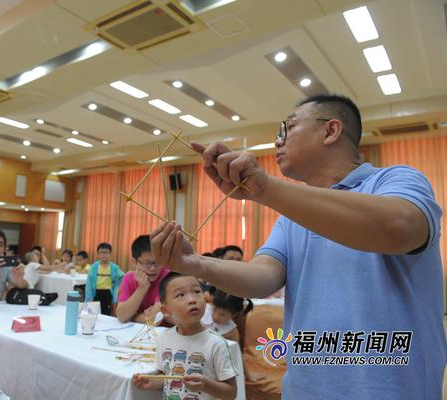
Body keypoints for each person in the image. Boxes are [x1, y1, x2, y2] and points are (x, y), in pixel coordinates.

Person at [150, 93, 446, 399]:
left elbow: (398, 228)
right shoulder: (292, 218)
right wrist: (196, 264)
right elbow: (261, 279)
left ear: (330, 131)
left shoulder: (396, 180)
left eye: (287, 128)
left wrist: (264, 189)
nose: (278, 141)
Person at [132, 272, 238, 400]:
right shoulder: (164, 337)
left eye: (197, 292)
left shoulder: (217, 343)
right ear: (166, 311)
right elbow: (167, 375)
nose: (192, 299)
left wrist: (206, 385)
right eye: (180, 295)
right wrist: (151, 382)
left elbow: (231, 393)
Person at [117, 235, 170, 324]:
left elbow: (154, 320)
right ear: (134, 262)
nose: (153, 268)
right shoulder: (129, 278)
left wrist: (133, 316)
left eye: (158, 262)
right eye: (148, 263)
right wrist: (142, 288)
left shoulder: (168, 277)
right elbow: (121, 316)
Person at [84, 242, 124, 315]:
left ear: (110, 254)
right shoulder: (94, 267)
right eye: (101, 252)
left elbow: (122, 276)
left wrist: (116, 287)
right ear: (98, 255)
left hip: (108, 293)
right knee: (94, 312)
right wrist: (89, 296)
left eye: (106, 252)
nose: (104, 255)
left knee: (106, 313)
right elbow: (89, 282)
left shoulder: (114, 267)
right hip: (96, 292)